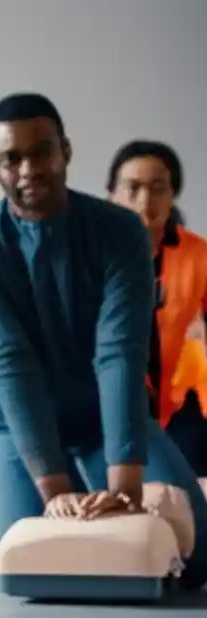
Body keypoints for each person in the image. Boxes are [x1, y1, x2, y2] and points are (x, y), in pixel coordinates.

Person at [0, 92, 207, 589]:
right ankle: (77, 484)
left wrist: (126, 485)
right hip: (8, 427)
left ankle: (116, 482)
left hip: (105, 421)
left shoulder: (120, 231)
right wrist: (55, 490)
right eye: (11, 159)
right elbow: (10, 365)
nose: (28, 169)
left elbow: (120, 350)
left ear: (65, 149)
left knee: (198, 557)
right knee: (20, 564)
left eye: (41, 151)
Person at [104, 140, 207, 476]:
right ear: (111, 194)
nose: (145, 200)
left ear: (173, 194)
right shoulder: (92, 257)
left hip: (181, 405)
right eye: (132, 188)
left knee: (186, 495)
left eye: (157, 187)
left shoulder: (199, 256)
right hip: (111, 402)